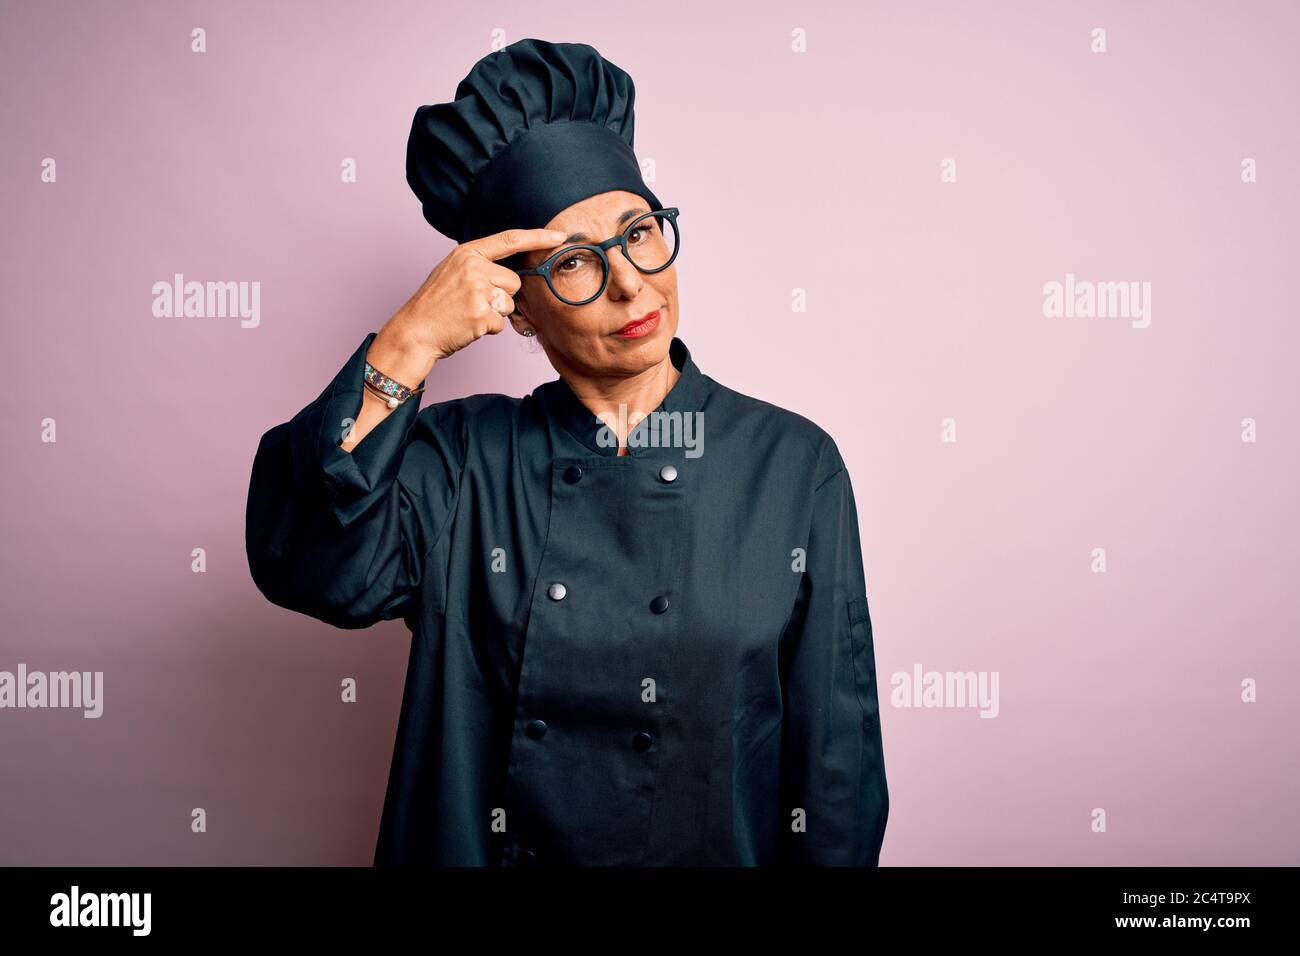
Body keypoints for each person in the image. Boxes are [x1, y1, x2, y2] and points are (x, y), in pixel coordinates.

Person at [244, 37, 888, 866]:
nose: (630, 284)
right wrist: (405, 344)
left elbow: (836, 766)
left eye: (640, 233)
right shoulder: (458, 461)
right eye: (576, 262)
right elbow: (314, 567)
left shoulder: (793, 466)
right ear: (517, 306)